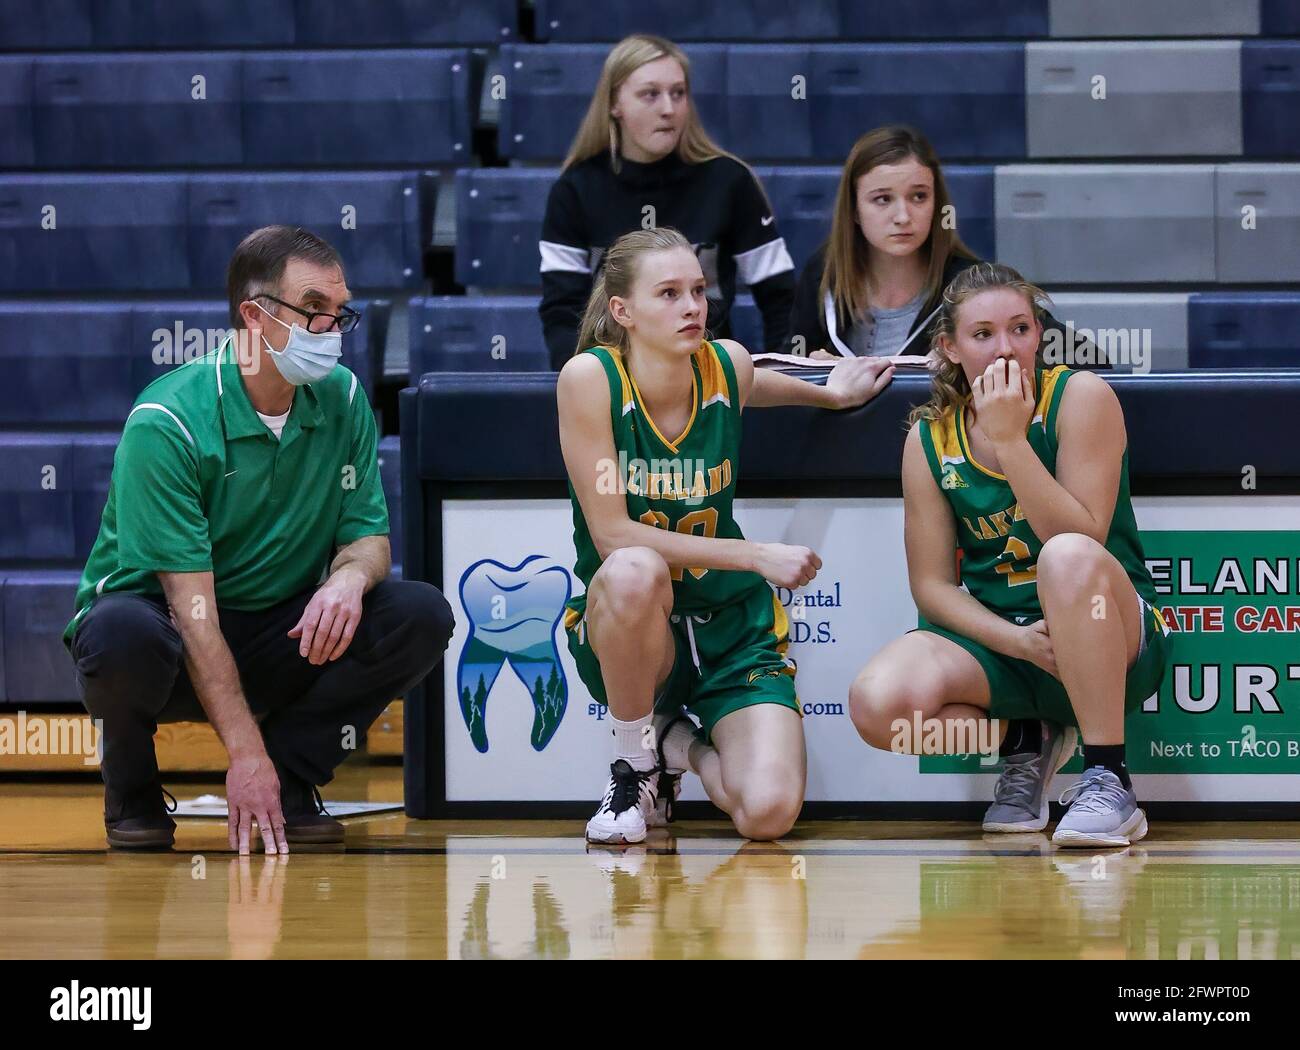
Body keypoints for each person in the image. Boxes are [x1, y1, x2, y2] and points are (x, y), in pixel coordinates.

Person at [65, 225, 455, 854]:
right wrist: (241, 755)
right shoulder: (167, 421)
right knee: (121, 634)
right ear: (254, 315)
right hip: (170, 631)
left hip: (278, 632)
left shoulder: (346, 399)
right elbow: (193, 614)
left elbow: (369, 538)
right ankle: (132, 793)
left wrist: (349, 579)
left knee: (417, 613)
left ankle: (293, 780)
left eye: (339, 312)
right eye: (314, 310)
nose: (331, 329)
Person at [557, 226, 893, 844]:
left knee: (767, 814)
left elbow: (758, 381)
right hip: (637, 626)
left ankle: (674, 746)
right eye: (668, 294)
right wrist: (754, 554)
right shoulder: (591, 380)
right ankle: (630, 768)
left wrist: (830, 393)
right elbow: (611, 535)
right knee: (634, 568)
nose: (691, 307)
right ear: (622, 311)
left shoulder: (726, 365)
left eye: (698, 290)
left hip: (729, 630)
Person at [846, 262, 1170, 848]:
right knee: (879, 707)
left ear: (1039, 335)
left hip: (1109, 632)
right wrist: (1017, 641)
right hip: (1009, 645)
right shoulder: (928, 440)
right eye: (983, 334)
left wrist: (1013, 441)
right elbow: (933, 588)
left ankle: (1107, 774)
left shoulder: (1080, 397)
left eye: (1020, 329)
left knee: (1066, 557)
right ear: (948, 347)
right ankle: (1024, 740)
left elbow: (1083, 538)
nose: (1005, 349)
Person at [540, 33, 795, 371]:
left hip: (708, 382)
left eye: (678, 93)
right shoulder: (575, 189)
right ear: (614, 104)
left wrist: (780, 377)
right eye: (650, 95)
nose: (668, 109)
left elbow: (782, 297)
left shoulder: (730, 181)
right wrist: (583, 380)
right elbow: (562, 309)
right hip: (613, 383)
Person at [787, 125, 1094, 366]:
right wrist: (812, 375)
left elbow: (1089, 361)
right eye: (883, 199)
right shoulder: (824, 274)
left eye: (919, 196)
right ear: (854, 209)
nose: (903, 216)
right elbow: (784, 372)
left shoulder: (972, 285)